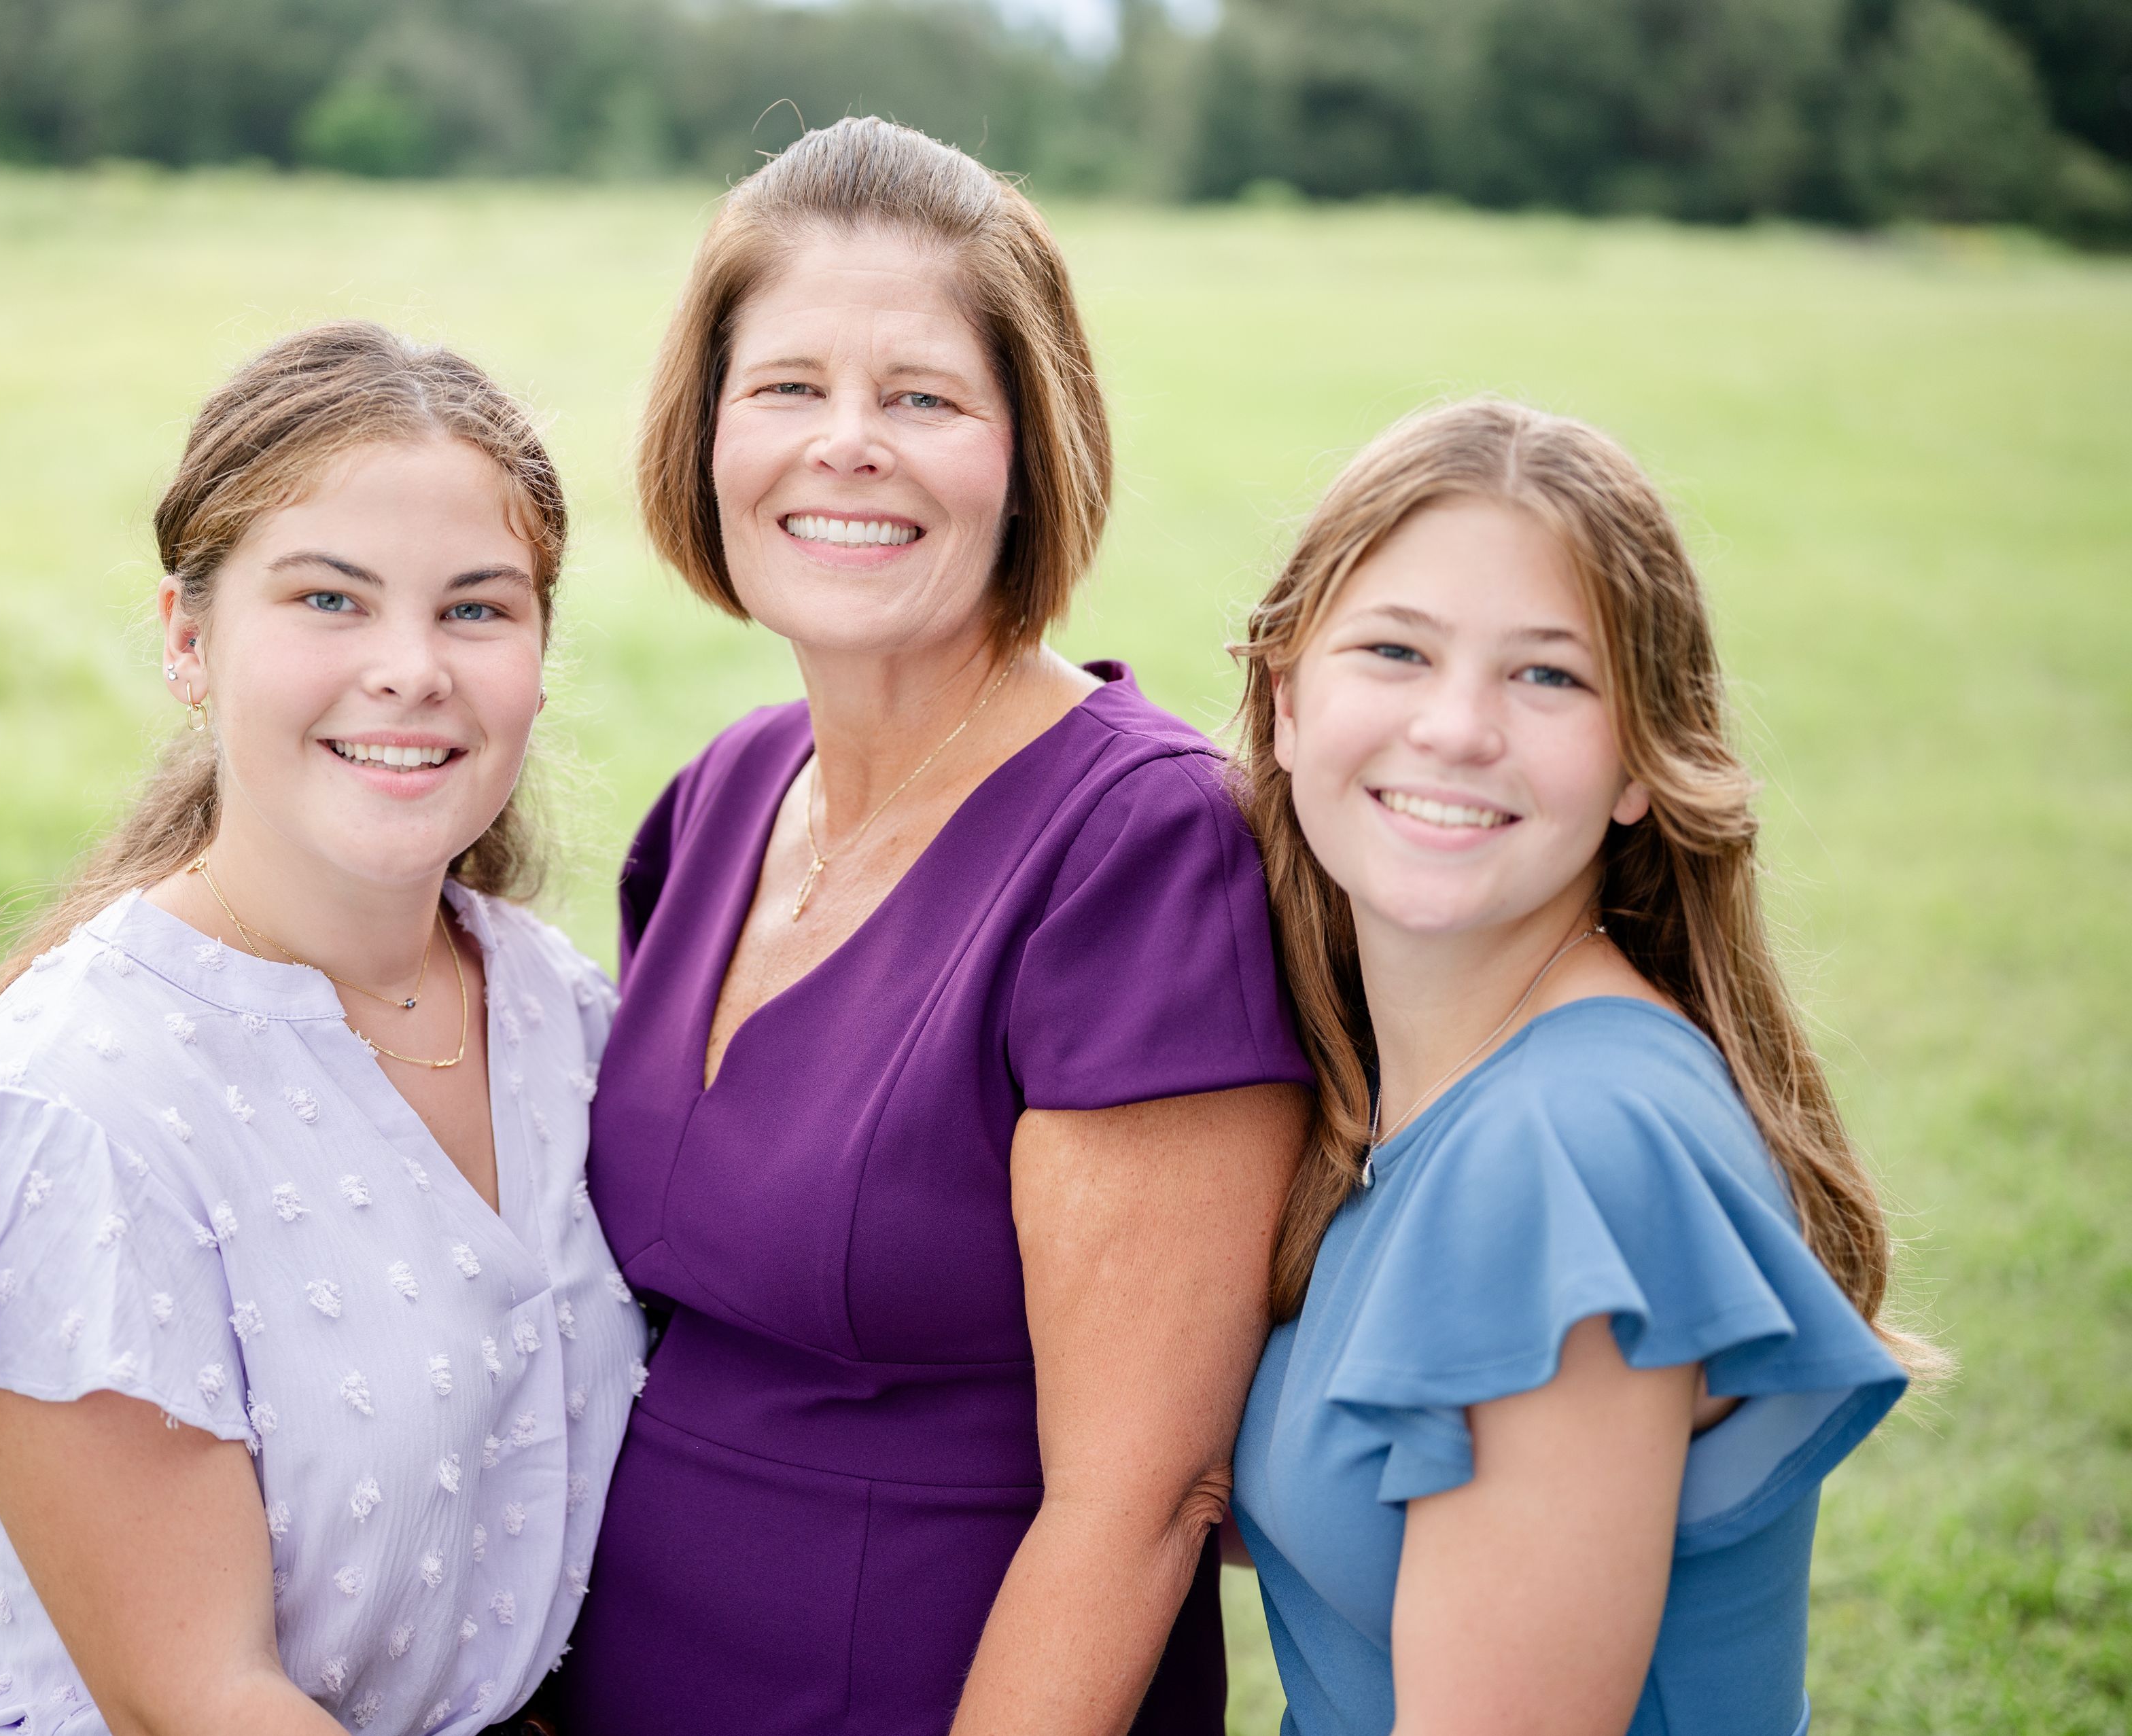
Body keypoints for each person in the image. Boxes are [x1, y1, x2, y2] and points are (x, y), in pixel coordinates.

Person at [562, 117, 1315, 1736]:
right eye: (787, 389)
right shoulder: (723, 798)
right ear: (709, 435)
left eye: (922, 397)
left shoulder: (1137, 847)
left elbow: (1146, 1495)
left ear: (1027, 450)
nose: (848, 445)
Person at [0, 323, 644, 1736]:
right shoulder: (74, 1108)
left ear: (541, 657)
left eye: (477, 609)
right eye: (329, 600)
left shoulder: (562, 1010)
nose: (410, 669)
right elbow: (205, 1703)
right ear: (188, 641)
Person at [1225, 397, 1934, 1735]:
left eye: (1546, 675)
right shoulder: (1404, 1096)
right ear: (1287, 700)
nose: (1456, 728)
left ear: (1638, 764)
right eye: (1394, 649)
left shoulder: (1570, 1154)